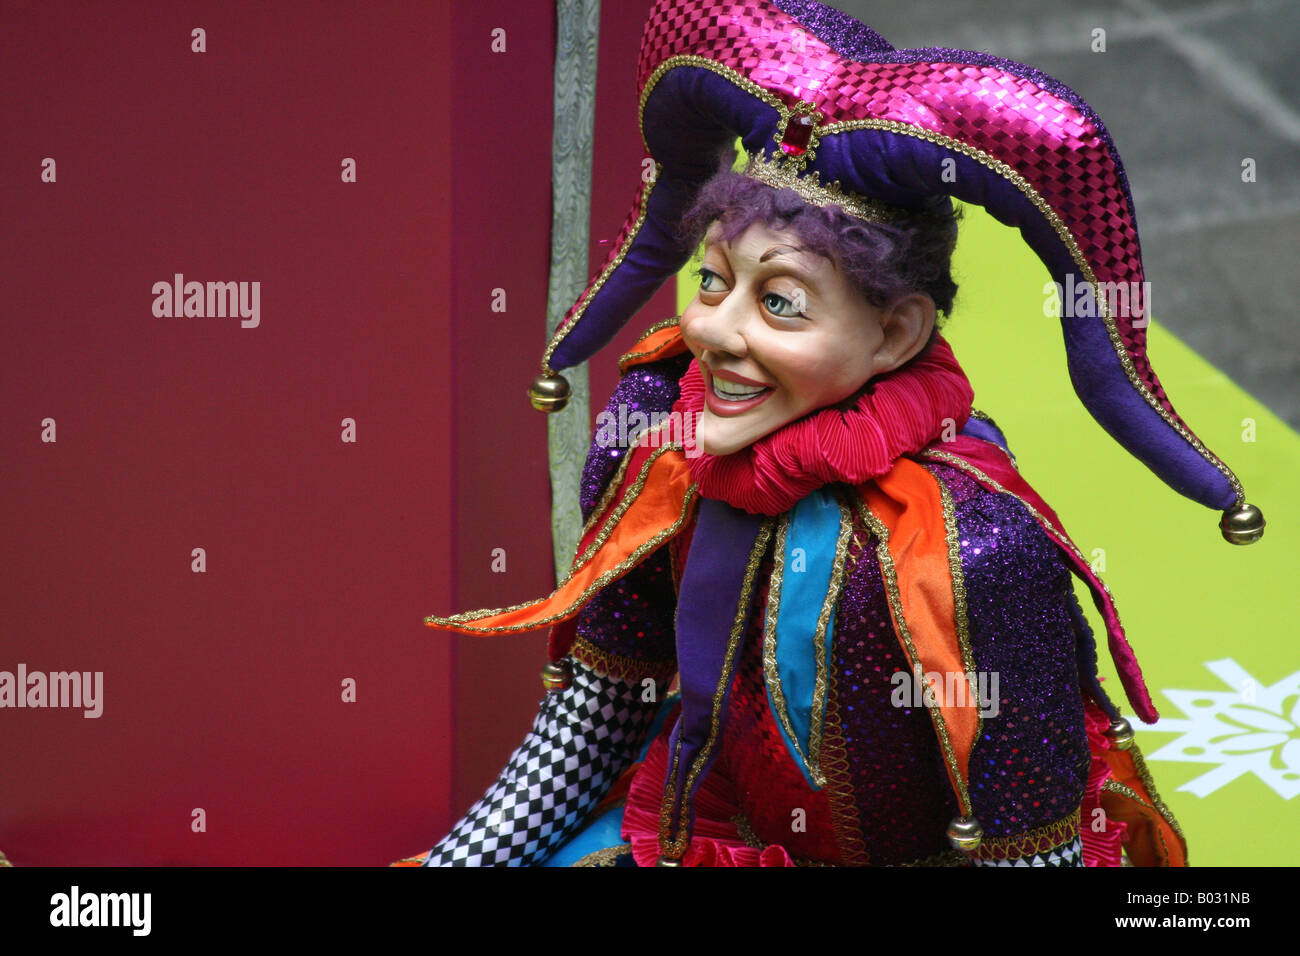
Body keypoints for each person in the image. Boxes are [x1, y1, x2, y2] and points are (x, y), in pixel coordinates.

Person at [400, 0, 1263, 868]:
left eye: (779, 302)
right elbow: (591, 726)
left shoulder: (975, 550)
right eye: (713, 279)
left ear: (895, 334)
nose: (713, 331)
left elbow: (1028, 852)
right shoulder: (655, 434)